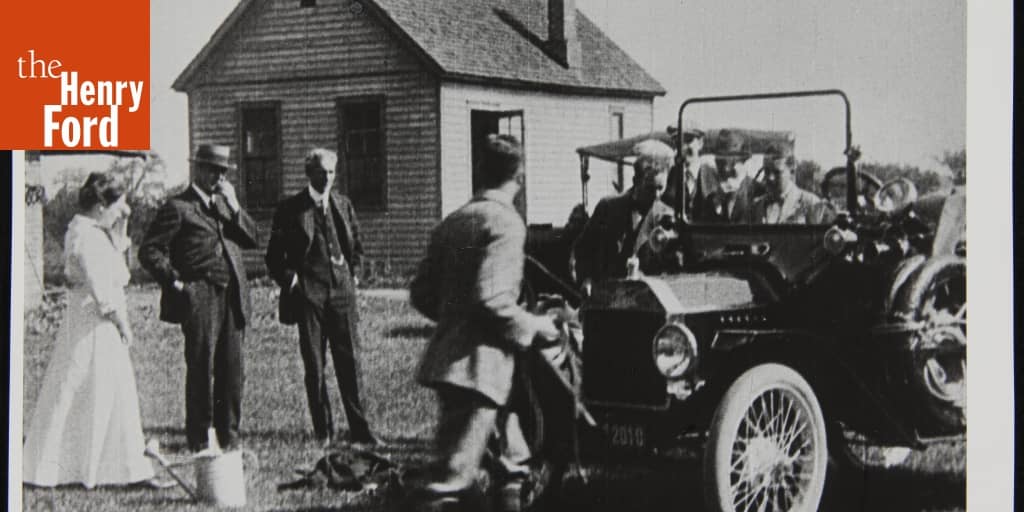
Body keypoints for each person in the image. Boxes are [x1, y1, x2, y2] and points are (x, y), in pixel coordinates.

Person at [409, 134, 561, 509]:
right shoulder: (506, 224)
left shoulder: (455, 222)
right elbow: (493, 300)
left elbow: (422, 293)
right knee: (450, 479)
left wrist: (456, 320)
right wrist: (536, 326)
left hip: (462, 365)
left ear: (480, 171)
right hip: (480, 370)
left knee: (512, 461)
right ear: (519, 177)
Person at [23, 173, 165, 488]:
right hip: (94, 325)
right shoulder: (85, 237)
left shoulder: (90, 231)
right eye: (119, 204)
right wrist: (122, 323)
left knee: (110, 393)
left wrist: (121, 224)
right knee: (81, 390)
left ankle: (126, 469)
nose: (124, 210)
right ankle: (55, 468)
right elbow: (103, 288)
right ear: (101, 205)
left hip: (93, 323)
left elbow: (118, 264)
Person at [138, 143, 258, 453]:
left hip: (231, 294)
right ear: (198, 169)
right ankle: (201, 438)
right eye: (213, 170)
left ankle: (229, 436)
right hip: (199, 294)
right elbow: (149, 250)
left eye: (223, 172)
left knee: (232, 369)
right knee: (202, 367)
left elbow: (252, 239)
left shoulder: (224, 206)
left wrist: (234, 206)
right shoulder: (178, 207)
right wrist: (176, 282)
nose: (218, 177)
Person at [264, 148, 378, 448]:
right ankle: (324, 431)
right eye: (320, 172)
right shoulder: (290, 209)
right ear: (309, 173)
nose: (326, 178)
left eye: (331, 172)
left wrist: (353, 277)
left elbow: (358, 246)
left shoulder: (343, 204)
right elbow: (274, 257)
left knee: (350, 363)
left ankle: (360, 432)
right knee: (315, 366)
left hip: (342, 295)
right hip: (309, 298)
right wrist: (294, 283)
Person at [572, 139, 676, 284]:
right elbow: (583, 250)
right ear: (635, 180)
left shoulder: (668, 219)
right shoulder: (607, 208)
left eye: (660, 188)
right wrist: (586, 280)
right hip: (606, 298)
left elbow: (673, 268)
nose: (656, 195)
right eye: (650, 188)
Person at [691, 130, 760, 223]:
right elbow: (697, 218)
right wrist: (717, 199)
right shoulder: (708, 186)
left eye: (729, 157)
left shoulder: (754, 188)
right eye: (719, 157)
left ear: (741, 160)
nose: (724, 166)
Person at [754, 146, 828, 224]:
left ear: (792, 171)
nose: (770, 178)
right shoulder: (757, 206)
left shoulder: (812, 204)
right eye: (767, 171)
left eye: (777, 172)